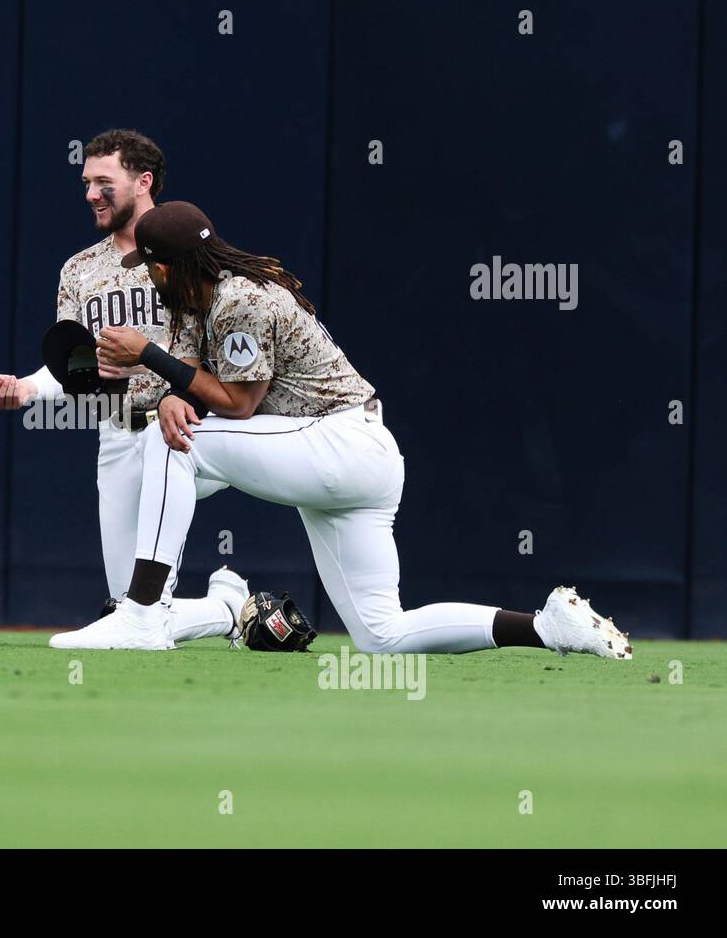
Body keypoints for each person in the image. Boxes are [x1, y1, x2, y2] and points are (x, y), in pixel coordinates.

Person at [52, 200, 632, 660]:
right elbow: (196, 384)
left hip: (339, 443)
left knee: (167, 445)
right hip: (348, 457)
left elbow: (239, 402)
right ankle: (544, 627)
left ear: (162, 266)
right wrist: (172, 393)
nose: (144, 275)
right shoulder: (196, 300)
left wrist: (151, 359)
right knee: (383, 635)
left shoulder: (240, 299)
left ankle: (144, 613)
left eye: (147, 265)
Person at [0, 130, 245, 646]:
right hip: (117, 434)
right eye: (86, 183)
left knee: (139, 610)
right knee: (126, 603)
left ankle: (216, 608)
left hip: (184, 431)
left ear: (142, 181)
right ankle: (226, 608)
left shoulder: (186, 250)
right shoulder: (80, 270)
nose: (90, 194)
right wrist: (27, 389)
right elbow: (76, 369)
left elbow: (224, 348)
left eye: (104, 182)